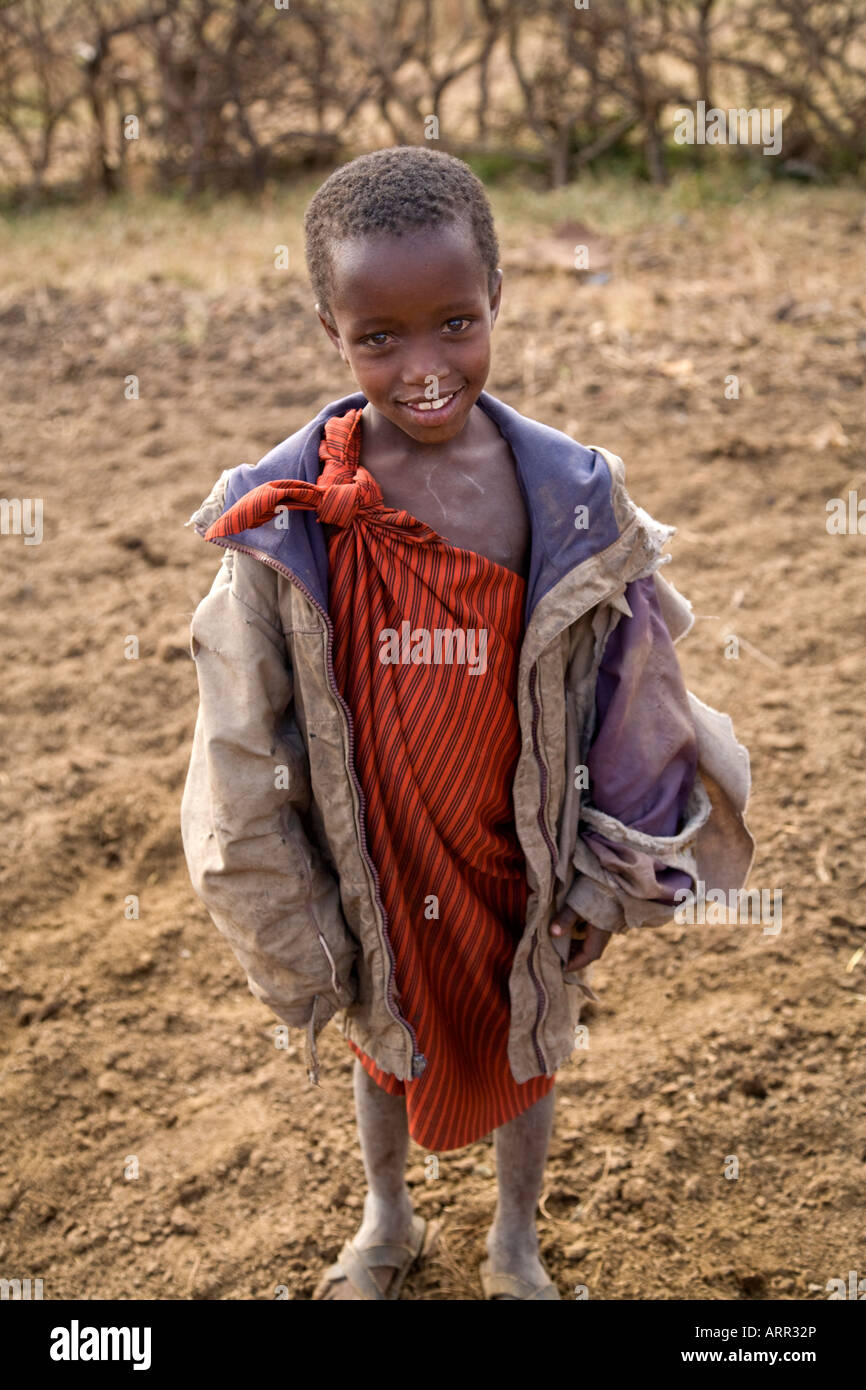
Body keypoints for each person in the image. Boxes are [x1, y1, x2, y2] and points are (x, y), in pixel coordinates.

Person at [181, 146, 754, 1300]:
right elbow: (240, 735)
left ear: (497, 298)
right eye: (377, 338)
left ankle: (513, 1241)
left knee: (527, 1035)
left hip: (519, 842)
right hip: (374, 846)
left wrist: (604, 880)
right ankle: (383, 1217)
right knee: (378, 1031)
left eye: (454, 322)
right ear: (329, 330)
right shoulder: (291, 513)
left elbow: (633, 703)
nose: (424, 366)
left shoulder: (576, 499)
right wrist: (292, 912)